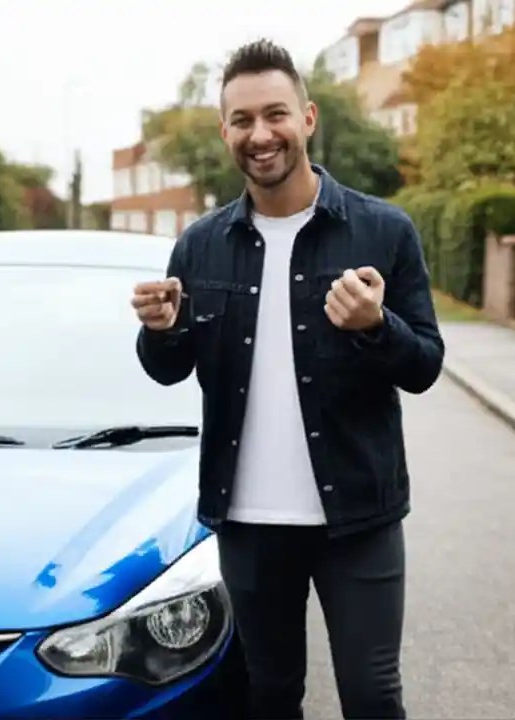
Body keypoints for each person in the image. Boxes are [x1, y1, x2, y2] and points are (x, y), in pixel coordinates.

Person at [131, 39, 444, 719]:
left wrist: (374, 325)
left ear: (306, 118)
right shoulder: (201, 243)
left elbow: (425, 364)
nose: (260, 134)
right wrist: (159, 330)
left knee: (371, 694)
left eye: (274, 114)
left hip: (357, 516)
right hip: (247, 521)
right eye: (242, 121)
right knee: (268, 695)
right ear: (225, 133)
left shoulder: (382, 229)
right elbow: (168, 370)